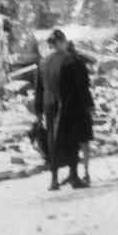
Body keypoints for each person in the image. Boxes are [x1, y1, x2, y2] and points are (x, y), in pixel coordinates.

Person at [33, 30, 88, 190]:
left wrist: (38, 110)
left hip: (49, 106)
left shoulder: (42, 63)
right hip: (70, 105)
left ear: (50, 44)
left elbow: (38, 90)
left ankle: (54, 179)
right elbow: (82, 86)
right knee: (72, 140)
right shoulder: (72, 60)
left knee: (53, 140)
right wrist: (85, 105)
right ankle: (74, 176)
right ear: (62, 41)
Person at [65, 41, 95, 187]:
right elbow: (86, 86)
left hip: (69, 109)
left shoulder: (63, 65)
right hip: (82, 107)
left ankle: (73, 173)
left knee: (72, 143)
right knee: (85, 142)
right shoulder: (79, 64)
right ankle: (86, 172)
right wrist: (91, 105)